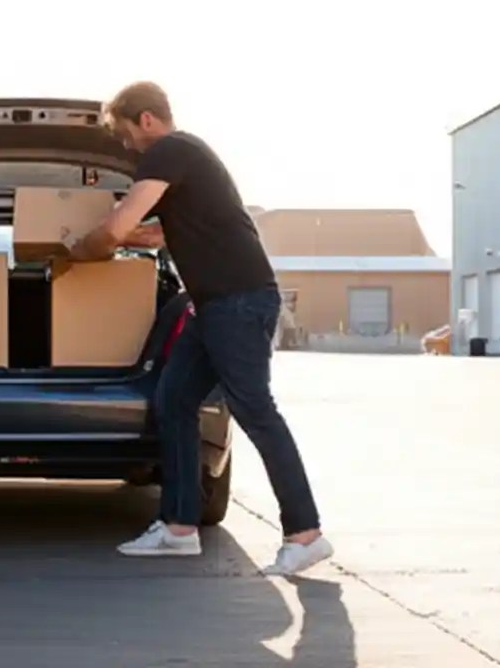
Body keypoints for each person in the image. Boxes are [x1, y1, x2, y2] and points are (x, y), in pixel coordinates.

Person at [63, 81, 333, 575]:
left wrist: (79, 249)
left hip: (239, 302)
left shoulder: (171, 149)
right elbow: (158, 232)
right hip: (212, 306)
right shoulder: (186, 163)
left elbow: (119, 227)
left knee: (255, 410)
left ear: (147, 120)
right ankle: (179, 528)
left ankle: (305, 533)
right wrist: (118, 237)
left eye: (126, 133)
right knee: (174, 400)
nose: (127, 146)